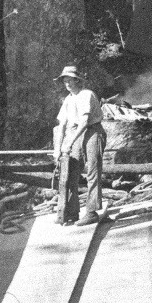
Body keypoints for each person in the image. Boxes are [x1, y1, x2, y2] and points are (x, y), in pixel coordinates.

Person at [53, 65, 107, 226]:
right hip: (76, 132)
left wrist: (69, 142)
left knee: (92, 171)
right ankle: (71, 212)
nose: (67, 83)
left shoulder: (87, 95)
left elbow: (84, 122)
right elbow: (62, 125)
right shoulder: (68, 100)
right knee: (71, 170)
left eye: (70, 80)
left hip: (92, 131)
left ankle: (91, 212)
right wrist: (58, 149)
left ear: (77, 80)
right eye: (65, 81)